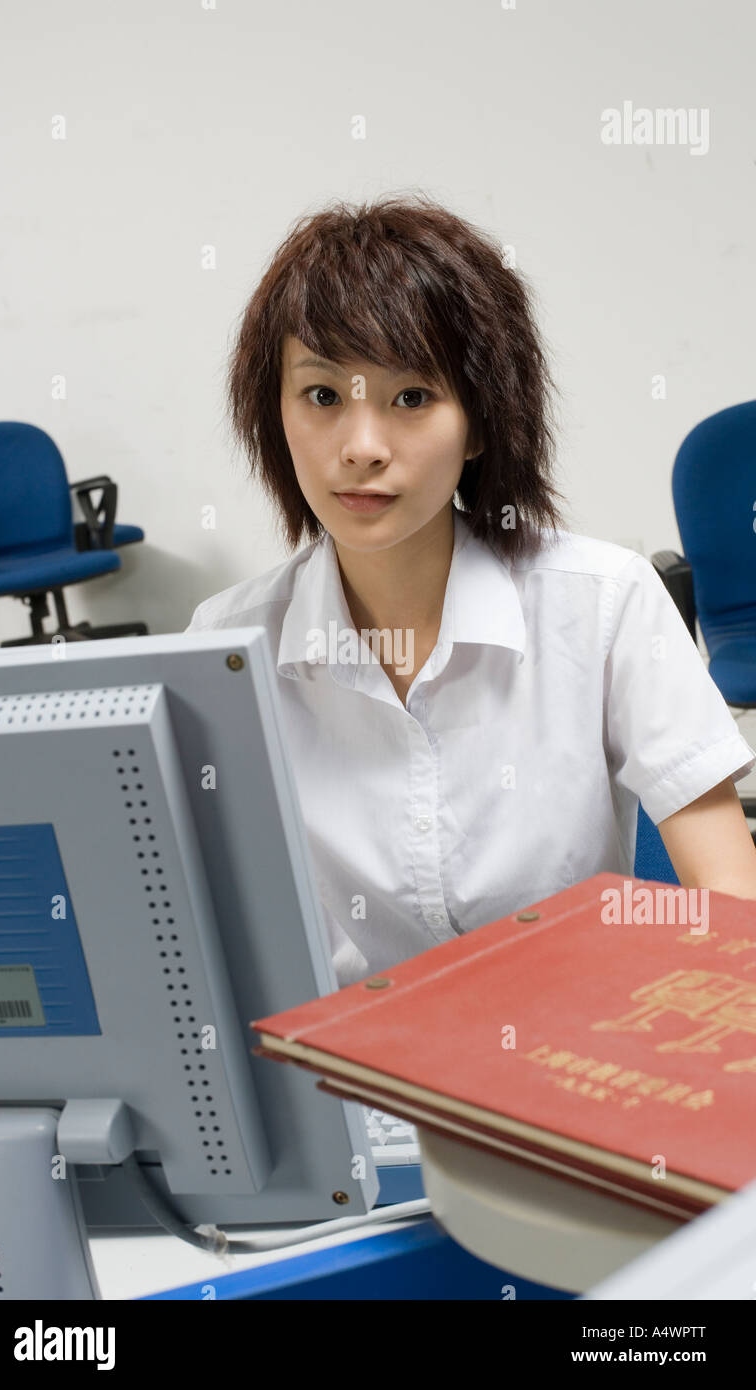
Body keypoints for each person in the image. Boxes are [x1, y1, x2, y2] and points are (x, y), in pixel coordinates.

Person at [187, 193, 756, 987]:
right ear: (273, 412)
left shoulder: (602, 603)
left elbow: (729, 902)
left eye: (411, 398)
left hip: (568, 1059)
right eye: (321, 396)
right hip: (352, 1082)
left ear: (481, 422)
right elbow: (208, 930)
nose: (361, 448)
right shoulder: (225, 647)